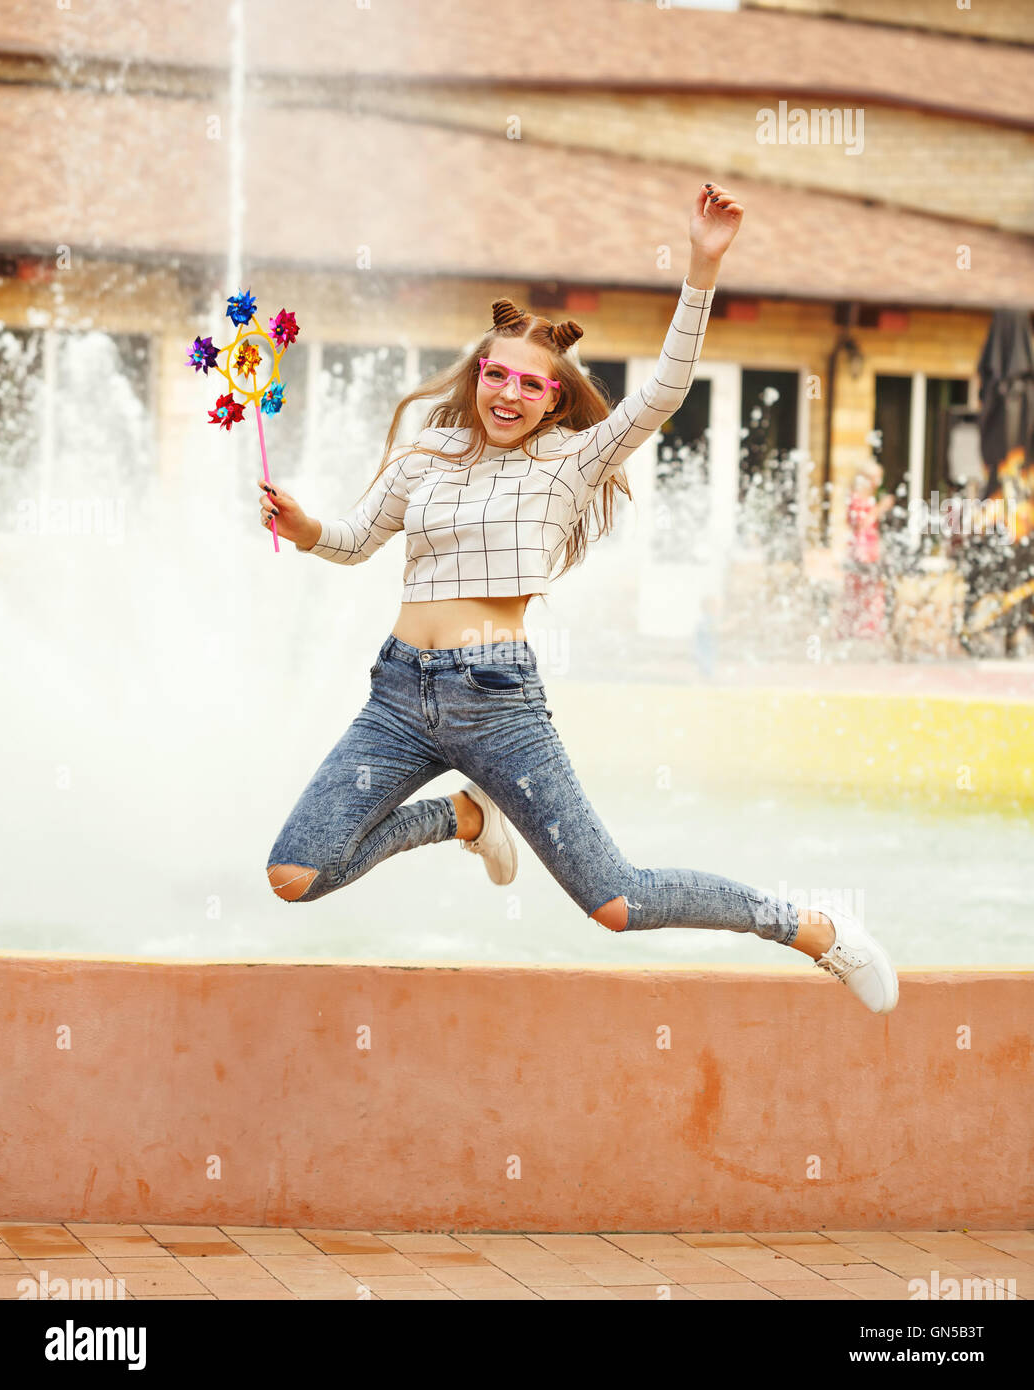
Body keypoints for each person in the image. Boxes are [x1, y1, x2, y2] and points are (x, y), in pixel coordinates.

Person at [260, 182, 898, 1015]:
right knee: (295, 874)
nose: (508, 395)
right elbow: (352, 543)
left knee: (615, 901)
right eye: (497, 375)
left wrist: (702, 264)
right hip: (396, 693)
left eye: (531, 385)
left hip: (496, 701)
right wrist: (306, 525)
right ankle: (461, 819)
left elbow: (664, 392)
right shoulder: (427, 455)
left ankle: (810, 927)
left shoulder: (571, 459)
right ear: (477, 375)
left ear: (553, 398)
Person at [839, 461, 894, 640]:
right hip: (861, 553)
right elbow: (860, 524)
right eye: (877, 478)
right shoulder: (856, 498)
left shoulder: (866, 498)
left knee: (871, 593)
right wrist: (880, 508)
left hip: (869, 551)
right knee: (864, 592)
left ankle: (866, 630)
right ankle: (860, 631)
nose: (879, 482)